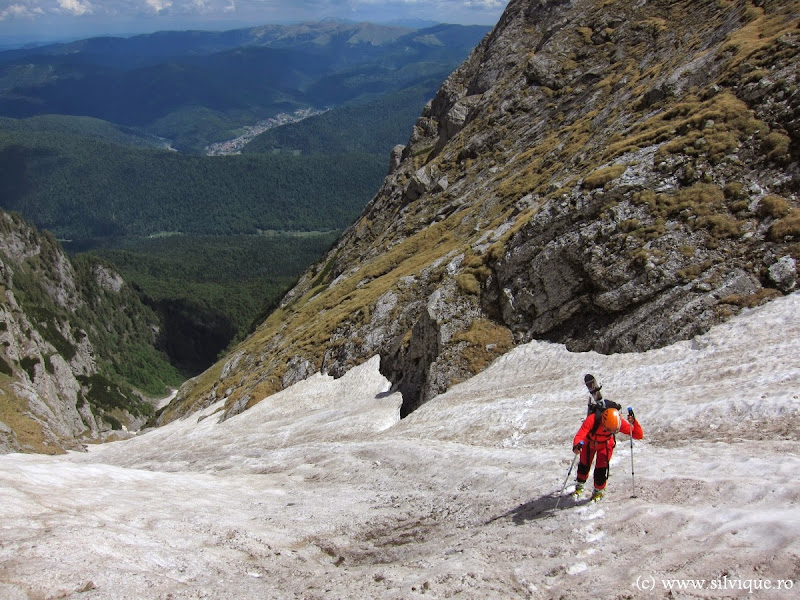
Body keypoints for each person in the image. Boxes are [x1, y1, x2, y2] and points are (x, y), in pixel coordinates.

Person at [571, 405, 643, 502]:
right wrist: (576, 446)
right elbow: (581, 434)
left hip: (606, 444)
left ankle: (598, 491)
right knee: (584, 465)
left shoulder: (618, 422)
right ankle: (579, 487)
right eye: (608, 430)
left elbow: (638, 435)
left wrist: (634, 422)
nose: (610, 432)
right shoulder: (592, 419)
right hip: (589, 443)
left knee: (601, 470)